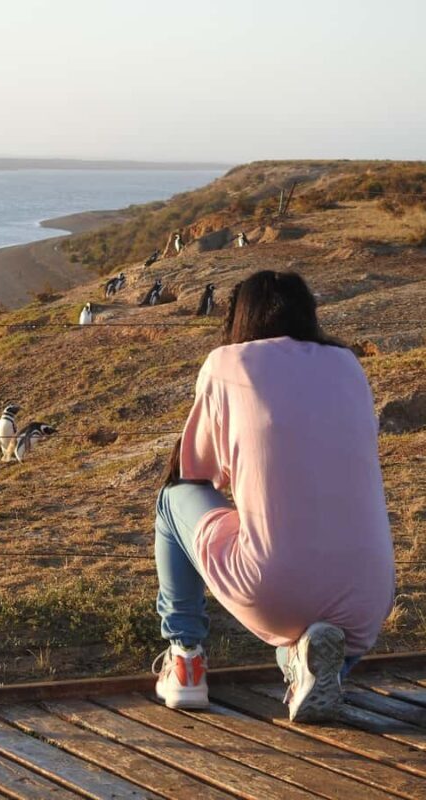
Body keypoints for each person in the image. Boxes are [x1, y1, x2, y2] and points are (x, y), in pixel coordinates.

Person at [152, 270, 395, 722]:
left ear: (240, 317)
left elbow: (196, 475)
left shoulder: (228, 363)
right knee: (320, 638)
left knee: (172, 502)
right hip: (368, 601)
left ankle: (185, 658)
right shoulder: (348, 364)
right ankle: (307, 665)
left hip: (274, 588)